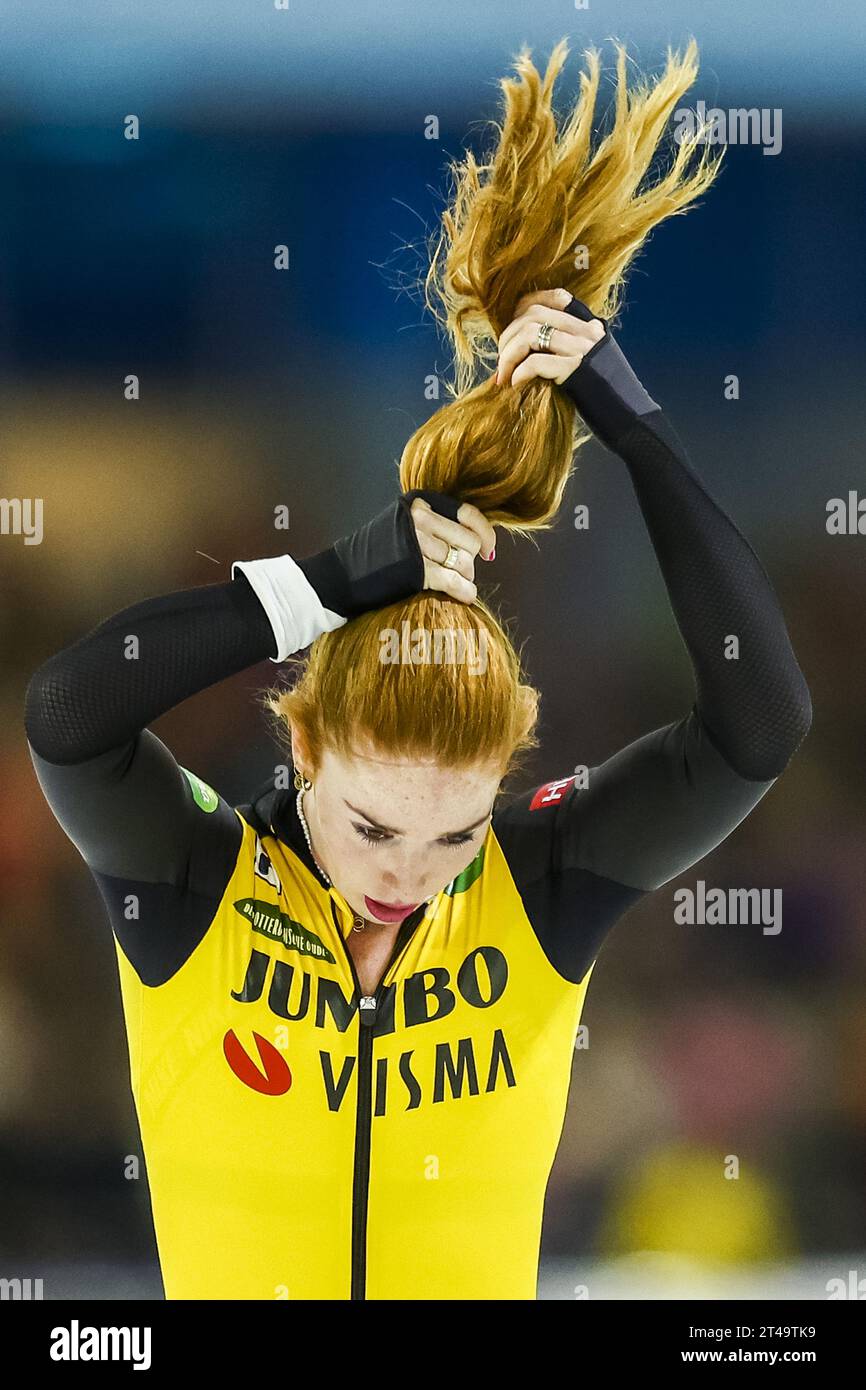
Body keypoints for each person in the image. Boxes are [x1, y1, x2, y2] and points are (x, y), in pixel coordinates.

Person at [24, 38, 811, 1300]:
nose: (406, 875)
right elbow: (68, 713)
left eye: (452, 836)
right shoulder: (195, 884)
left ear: (504, 787)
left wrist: (628, 418)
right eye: (375, 824)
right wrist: (329, 581)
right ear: (302, 748)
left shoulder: (536, 889)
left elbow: (758, 725)